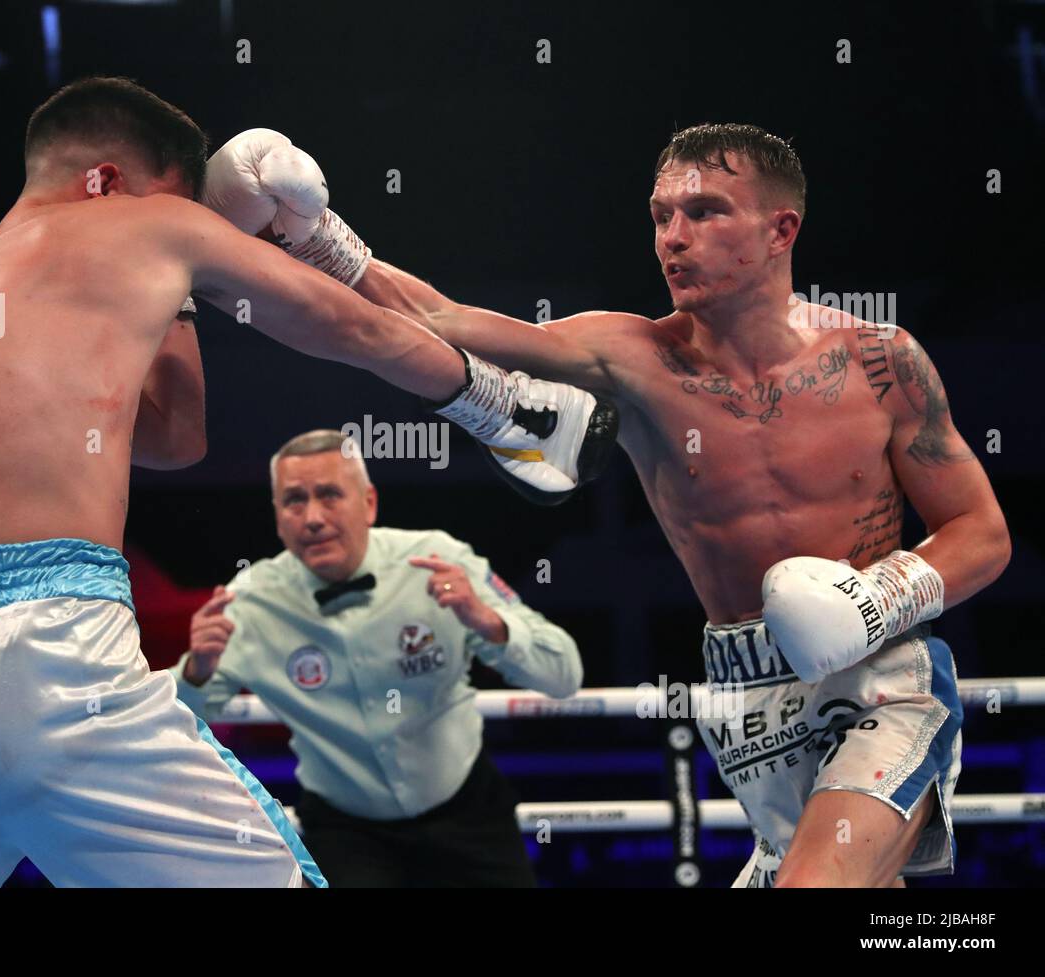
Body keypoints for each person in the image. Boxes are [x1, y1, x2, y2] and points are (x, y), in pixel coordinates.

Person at [0, 76, 609, 888]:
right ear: (108, 181)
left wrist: (177, 294)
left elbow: (175, 438)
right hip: (43, 650)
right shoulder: (148, 221)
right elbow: (351, 323)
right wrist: (505, 407)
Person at [203, 123, 1012, 887]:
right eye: (662, 215)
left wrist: (875, 601)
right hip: (746, 697)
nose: (674, 235)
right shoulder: (632, 356)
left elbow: (982, 533)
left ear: (781, 229)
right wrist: (313, 233)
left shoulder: (879, 359)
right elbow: (436, 322)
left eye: (704, 211)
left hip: (882, 679)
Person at [170, 429, 582, 886]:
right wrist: (196, 671)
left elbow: (563, 674)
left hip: (469, 812)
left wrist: (489, 623)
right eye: (294, 501)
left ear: (368, 503)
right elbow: (175, 727)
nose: (312, 518)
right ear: (278, 517)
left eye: (329, 495)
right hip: (346, 831)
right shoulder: (247, 605)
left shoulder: (439, 560)